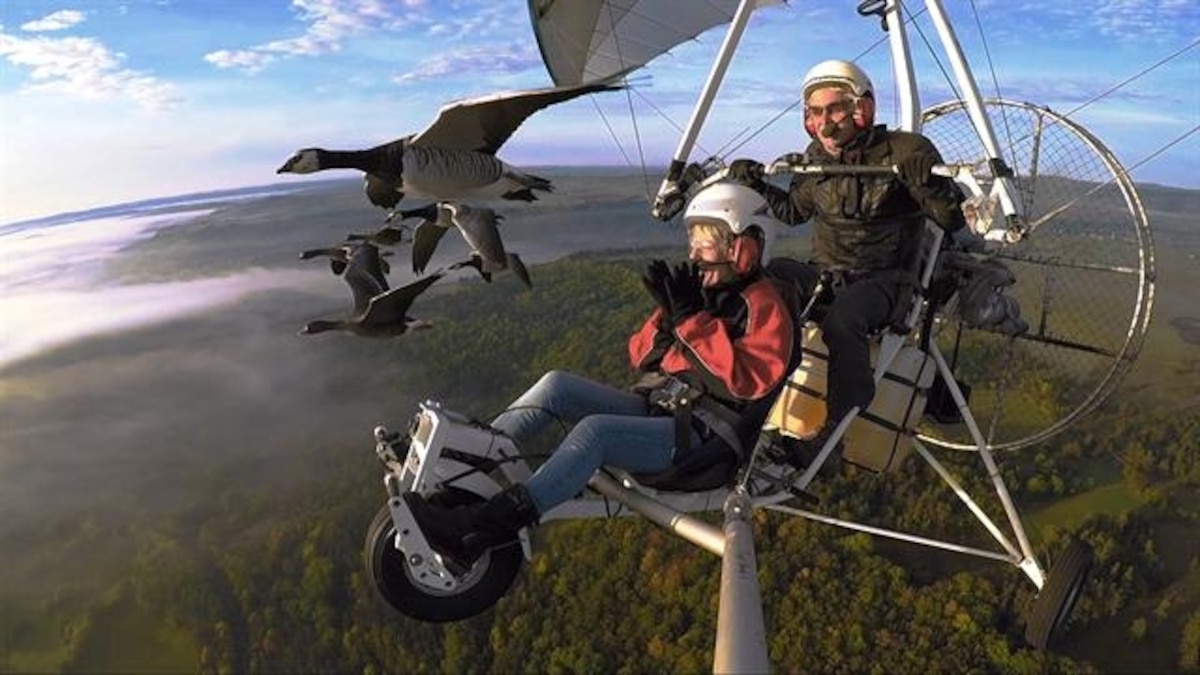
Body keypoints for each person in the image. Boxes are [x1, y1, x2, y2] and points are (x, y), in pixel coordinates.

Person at [402, 182, 794, 568]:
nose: (692, 253)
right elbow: (640, 354)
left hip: (704, 442)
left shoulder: (764, 306)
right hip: (667, 409)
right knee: (557, 385)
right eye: (692, 241)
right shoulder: (702, 293)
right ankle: (464, 469)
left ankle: (478, 531)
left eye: (704, 243)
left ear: (742, 248)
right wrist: (671, 323)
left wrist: (691, 325)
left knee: (596, 433)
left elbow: (747, 382)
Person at [727, 59, 972, 469]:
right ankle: (736, 396)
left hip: (885, 280)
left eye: (835, 110)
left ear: (862, 109)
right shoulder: (816, 156)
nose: (826, 123)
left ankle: (832, 437)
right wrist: (756, 183)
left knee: (843, 323)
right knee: (758, 282)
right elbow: (793, 212)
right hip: (827, 273)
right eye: (816, 113)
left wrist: (925, 181)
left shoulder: (907, 151)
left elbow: (951, 220)